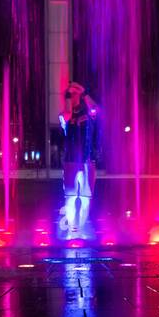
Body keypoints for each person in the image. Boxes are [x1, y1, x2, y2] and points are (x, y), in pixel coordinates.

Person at [58, 82, 99, 235]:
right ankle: (71, 228)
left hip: (88, 161)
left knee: (86, 197)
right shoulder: (65, 116)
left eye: (76, 95)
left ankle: (81, 227)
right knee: (70, 196)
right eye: (71, 95)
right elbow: (67, 114)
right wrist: (67, 95)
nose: (74, 97)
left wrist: (84, 92)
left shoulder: (89, 114)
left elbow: (96, 110)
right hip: (70, 161)